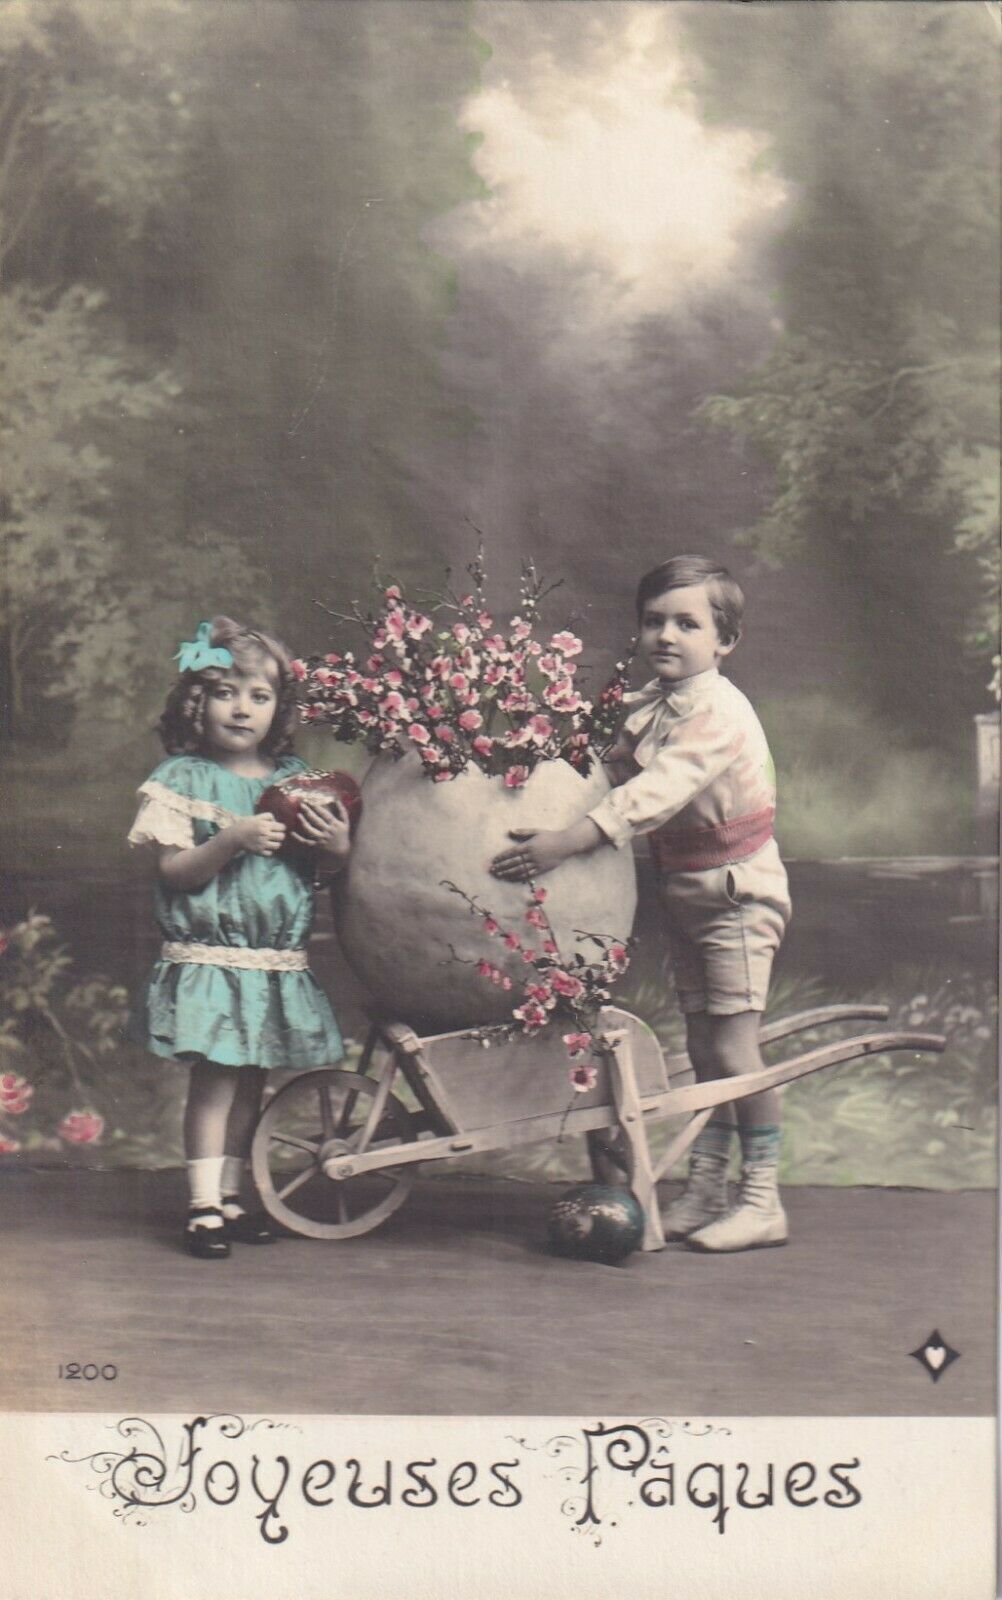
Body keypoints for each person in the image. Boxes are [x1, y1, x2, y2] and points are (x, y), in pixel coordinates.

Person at [491, 556, 791, 1253]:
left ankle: (762, 1197)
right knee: (701, 1047)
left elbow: (655, 792)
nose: (667, 635)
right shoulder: (654, 702)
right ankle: (708, 1186)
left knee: (735, 1045)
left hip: (737, 892)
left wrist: (570, 838)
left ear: (725, 642)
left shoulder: (717, 711)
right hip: (688, 890)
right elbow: (616, 766)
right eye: (654, 620)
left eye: (688, 623)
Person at [128, 617, 349, 1259]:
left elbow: (321, 873)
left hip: (272, 959)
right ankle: (201, 1204)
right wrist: (229, 840)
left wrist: (336, 846)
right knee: (218, 1078)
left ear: (279, 708)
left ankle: (231, 1196)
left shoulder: (297, 780)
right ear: (198, 702)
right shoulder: (184, 780)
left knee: (253, 1081)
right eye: (226, 692)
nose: (242, 708)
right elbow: (174, 873)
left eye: (259, 696)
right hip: (214, 957)